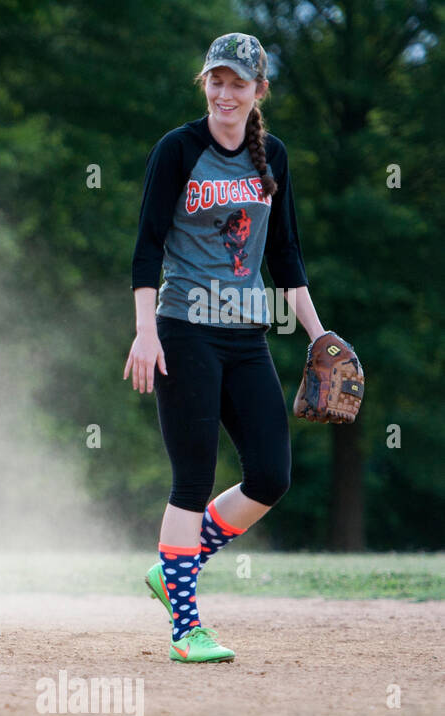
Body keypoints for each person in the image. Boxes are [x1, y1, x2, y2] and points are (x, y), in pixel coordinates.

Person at [125, 33, 329, 663]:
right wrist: (145, 329)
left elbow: (285, 253)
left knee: (271, 474)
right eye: (216, 80)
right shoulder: (179, 149)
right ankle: (185, 629)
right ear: (204, 83)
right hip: (184, 327)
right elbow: (147, 245)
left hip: (247, 333)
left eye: (239, 83)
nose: (224, 93)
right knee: (192, 478)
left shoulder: (274, 159)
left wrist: (318, 335)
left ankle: (175, 568)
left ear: (259, 91)